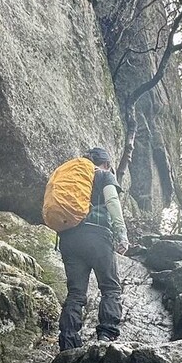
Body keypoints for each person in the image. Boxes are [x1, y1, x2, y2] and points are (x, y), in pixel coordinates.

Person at [58, 146, 129, 350]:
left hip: (69, 238)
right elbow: (113, 202)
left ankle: (68, 342)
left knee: (75, 293)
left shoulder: (73, 178)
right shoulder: (104, 175)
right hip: (97, 236)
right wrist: (121, 234)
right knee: (110, 287)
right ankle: (106, 336)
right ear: (106, 164)